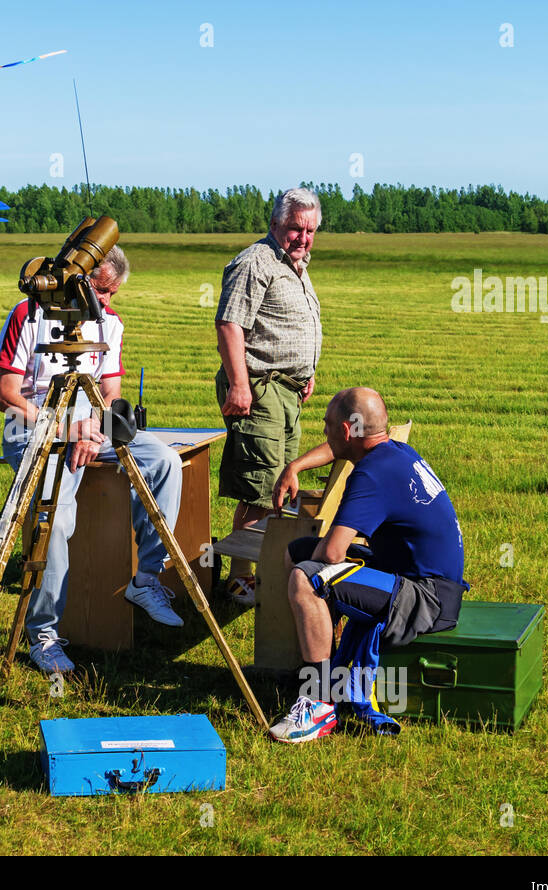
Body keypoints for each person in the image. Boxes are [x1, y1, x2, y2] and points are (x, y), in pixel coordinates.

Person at [0, 246, 185, 674]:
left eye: (114, 293)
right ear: (77, 283)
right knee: (56, 519)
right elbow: (6, 394)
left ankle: (146, 578)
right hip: (30, 424)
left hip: (90, 422)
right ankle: (43, 633)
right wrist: (62, 430)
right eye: (101, 290)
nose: (107, 302)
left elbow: (111, 392)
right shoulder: (28, 314)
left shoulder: (110, 324)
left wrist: (94, 428)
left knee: (165, 464)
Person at [267, 387, 469, 743]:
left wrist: (321, 580)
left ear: (347, 430)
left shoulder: (370, 476)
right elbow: (336, 448)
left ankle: (319, 705)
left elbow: (332, 553)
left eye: (327, 424)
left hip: (424, 599)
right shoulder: (393, 452)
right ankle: (317, 668)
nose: (324, 431)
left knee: (307, 578)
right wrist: (295, 466)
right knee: (299, 550)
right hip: (415, 579)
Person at [214, 187, 323, 606]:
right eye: (296, 228)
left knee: (281, 484)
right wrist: (240, 384)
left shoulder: (296, 265)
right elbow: (229, 325)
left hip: (286, 390)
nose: (304, 237)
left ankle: (265, 571)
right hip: (259, 388)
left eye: (311, 230)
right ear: (276, 223)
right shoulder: (255, 261)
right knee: (260, 488)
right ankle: (241, 579)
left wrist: (305, 373)